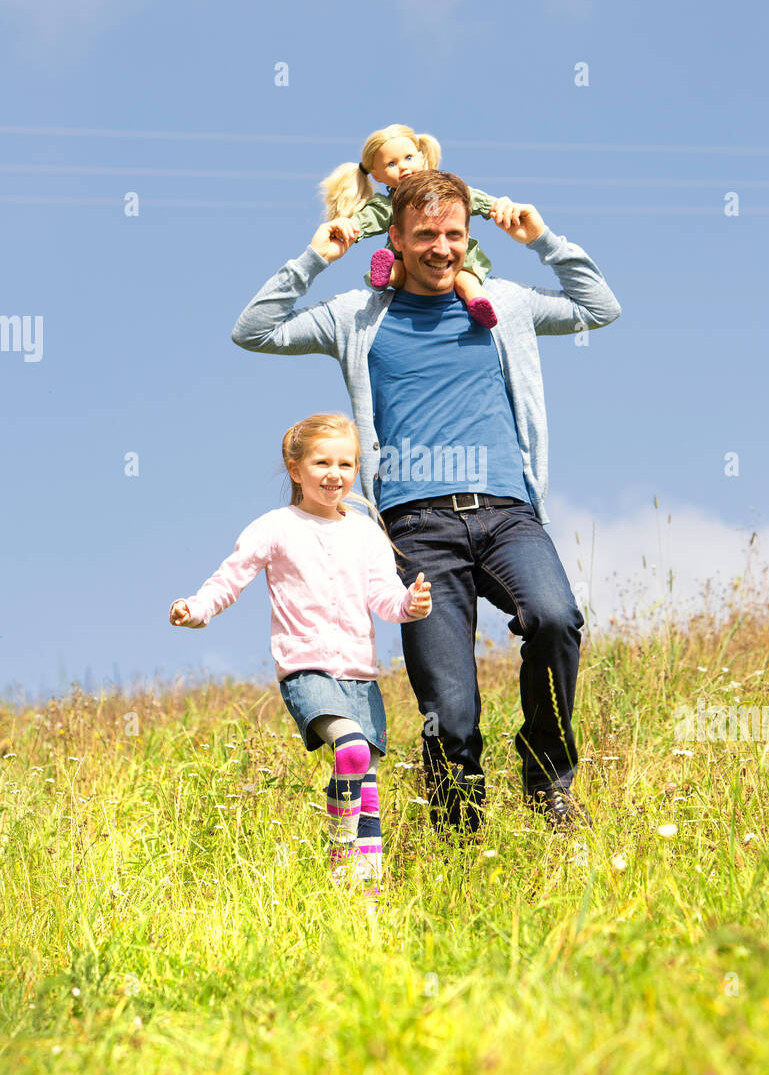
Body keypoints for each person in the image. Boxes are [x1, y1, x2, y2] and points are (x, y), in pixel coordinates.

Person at [231, 170, 621, 833]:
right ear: (397, 239)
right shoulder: (357, 318)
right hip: (416, 531)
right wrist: (313, 259)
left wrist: (544, 240)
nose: (442, 249)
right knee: (451, 704)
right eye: (426, 236)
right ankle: (455, 840)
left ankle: (547, 780)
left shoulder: (502, 304)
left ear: (468, 237)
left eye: (453, 235)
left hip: (507, 514)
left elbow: (597, 307)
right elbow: (255, 330)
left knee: (555, 618)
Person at [168, 412, 431, 887]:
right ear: (296, 469)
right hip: (307, 671)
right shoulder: (276, 527)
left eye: (346, 464)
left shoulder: (366, 531)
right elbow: (231, 577)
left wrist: (410, 604)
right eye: (322, 462)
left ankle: (366, 892)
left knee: (367, 788)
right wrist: (197, 607)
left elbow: (384, 599)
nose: (335, 474)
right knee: (350, 752)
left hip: (360, 677)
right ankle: (338, 854)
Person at [319, 122, 523, 328]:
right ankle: (383, 275)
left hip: (441, 255)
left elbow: (470, 197)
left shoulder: (443, 190)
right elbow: (366, 220)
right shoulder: (388, 205)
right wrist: (348, 226)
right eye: (391, 164)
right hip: (407, 256)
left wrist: (497, 205)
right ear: (376, 176)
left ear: (421, 157)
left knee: (464, 277)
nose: (403, 166)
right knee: (401, 271)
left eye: (408, 158)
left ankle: (479, 303)